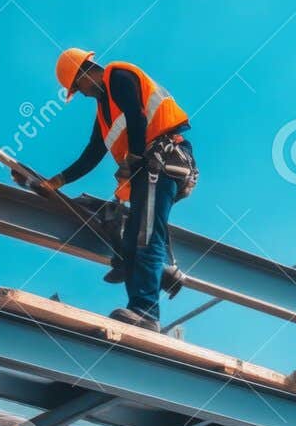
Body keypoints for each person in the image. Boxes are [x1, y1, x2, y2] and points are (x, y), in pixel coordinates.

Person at [26, 48, 195, 331]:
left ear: (85, 72)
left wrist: (134, 159)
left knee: (145, 235)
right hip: (149, 169)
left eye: (78, 87)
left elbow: (138, 117)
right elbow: (93, 152)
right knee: (131, 241)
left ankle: (146, 311)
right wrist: (57, 181)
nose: (83, 94)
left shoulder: (119, 76)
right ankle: (161, 275)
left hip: (164, 160)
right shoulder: (104, 112)